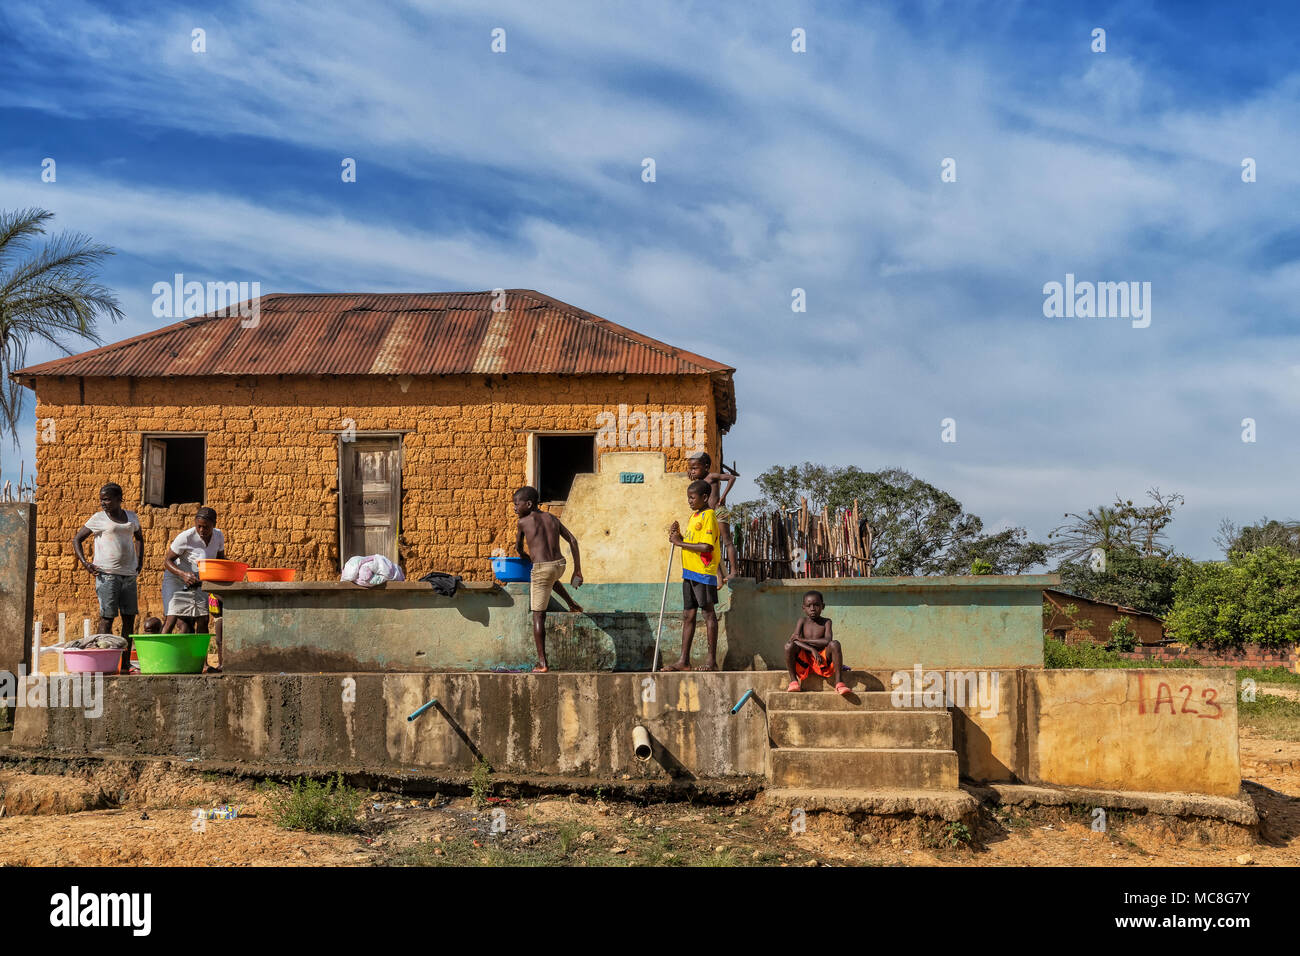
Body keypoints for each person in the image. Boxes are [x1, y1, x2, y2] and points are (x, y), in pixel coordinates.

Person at [72, 483, 144, 664]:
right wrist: (86, 563)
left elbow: (139, 538)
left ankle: (125, 663)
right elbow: (77, 539)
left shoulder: (132, 517)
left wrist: (140, 561)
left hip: (128, 575)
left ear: (119, 499)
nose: (103, 503)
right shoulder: (98, 518)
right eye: (101, 499)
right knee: (107, 618)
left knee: (129, 619)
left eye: (107, 499)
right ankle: (103, 663)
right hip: (107, 574)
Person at [513, 486, 583, 673]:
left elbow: (518, 548)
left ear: (528, 504)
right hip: (560, 565)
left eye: (516, 504)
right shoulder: (552, 518)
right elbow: (573, 541)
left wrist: (525, 556)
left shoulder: (523, 522)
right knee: (549, 578)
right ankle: (571, 603)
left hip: (542, 569)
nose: (514, 508)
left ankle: (542, 663)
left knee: (538, 615)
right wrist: (577, 570)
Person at [662, 480, 720, 672]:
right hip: (689, 572)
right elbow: (692, 542)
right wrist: (678, 536)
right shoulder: (694, 516)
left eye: (692, 497)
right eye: (688, 497)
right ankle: (684, 661)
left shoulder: (709, 516)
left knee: (708, 613)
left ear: (704, 497)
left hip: (703, 572)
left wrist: (680, 543)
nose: (689, 501)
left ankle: (711, 661)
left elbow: (706, 546)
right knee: (688, 615)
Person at [162, 508, 225, 653]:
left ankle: (202, 662)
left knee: (203, 618)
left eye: (206, 527)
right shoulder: (186, 537)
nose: (202, 530)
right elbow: (167, 561)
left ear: (214, 524)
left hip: (198, 582)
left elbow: (220, 559)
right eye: (199, 526)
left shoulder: (218, 536)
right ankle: (163, 657)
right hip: (177, 580)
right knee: (172, 617)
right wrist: (183, 574)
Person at [686, 451, 739, 583]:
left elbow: (732, 478)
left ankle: (734, 572)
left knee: (727, 541)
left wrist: (723, 496)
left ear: (706, 466)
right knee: (711, 545)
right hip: (708, 516)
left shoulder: (711, 476)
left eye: (694, 468)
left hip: (718, 511)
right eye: (690, 469)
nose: (692, 471)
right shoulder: (699, 482)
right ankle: (719, 576)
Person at [785, 590, 850, 695]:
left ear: (823, 606)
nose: (812, 609)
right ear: (803, 608)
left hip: (822, 660)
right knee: (788, 646)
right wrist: (812, 649)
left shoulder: (826, 622)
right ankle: (793, 681)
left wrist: (804, 640)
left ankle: (839, 683)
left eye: (816, 605)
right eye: (808, 606)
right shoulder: (802, 621)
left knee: (835, 644)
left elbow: (827, 640)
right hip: (805, 660)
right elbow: (794, 641)